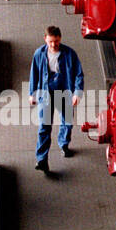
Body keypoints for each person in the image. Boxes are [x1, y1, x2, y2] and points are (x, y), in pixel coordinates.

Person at [28, 25, 84, 172]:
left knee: (67, 122)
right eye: (51, 41)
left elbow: (78, 74)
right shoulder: (39, 54)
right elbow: (34, 73)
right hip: (46, 93)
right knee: (44, 127)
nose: (54, 45)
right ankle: (41, 159)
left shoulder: (69, 54)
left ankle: (64, 143)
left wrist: (77, 93)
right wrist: (32, 93)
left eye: (57, 41)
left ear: (60, 39)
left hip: (64, 91)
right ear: (45, 39)